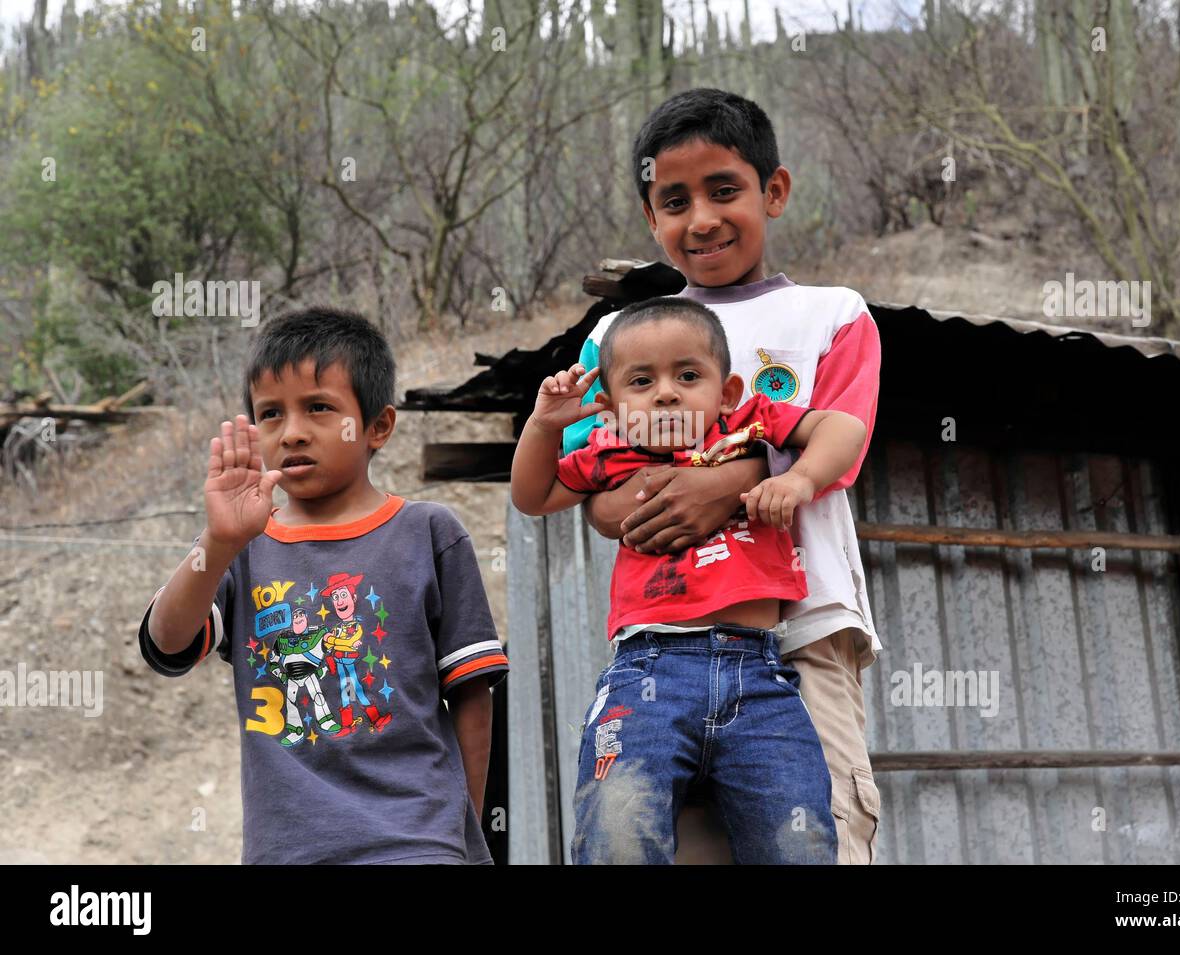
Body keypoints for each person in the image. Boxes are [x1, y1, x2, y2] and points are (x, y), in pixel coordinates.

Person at [563, 88, 884, 864]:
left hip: (805, 624)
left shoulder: (832, 314)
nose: (700, 217)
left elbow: (843, 442)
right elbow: (590, 485)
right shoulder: (617, 336)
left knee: (821, 837)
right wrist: (644, 498)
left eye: (724, 190)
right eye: (675, 200)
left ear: (774, 191)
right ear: (651, 218)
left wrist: (725, 483)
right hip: (664, 641)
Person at [138, 307, 507, 865]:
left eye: (318, 408)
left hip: (414, 843)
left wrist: (462, 835)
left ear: (378, 426)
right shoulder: (239, 547)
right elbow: (164, 646)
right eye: (269, 414)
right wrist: (217, 542)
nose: (291, 432)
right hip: (287, 850)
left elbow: (473, 697)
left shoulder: (430, 534)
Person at [512, 296, 867, 864]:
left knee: (799, 840)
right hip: (647, 671)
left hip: (762, 677)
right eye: (641, 380)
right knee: (617, 834)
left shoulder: (749, 425)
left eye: (687, 374)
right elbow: (532, 497)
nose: (666, 392)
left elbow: (843, 428)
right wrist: (542, 425)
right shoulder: (611, 453)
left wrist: (798, 480)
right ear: (610, 405)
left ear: (726, 391)